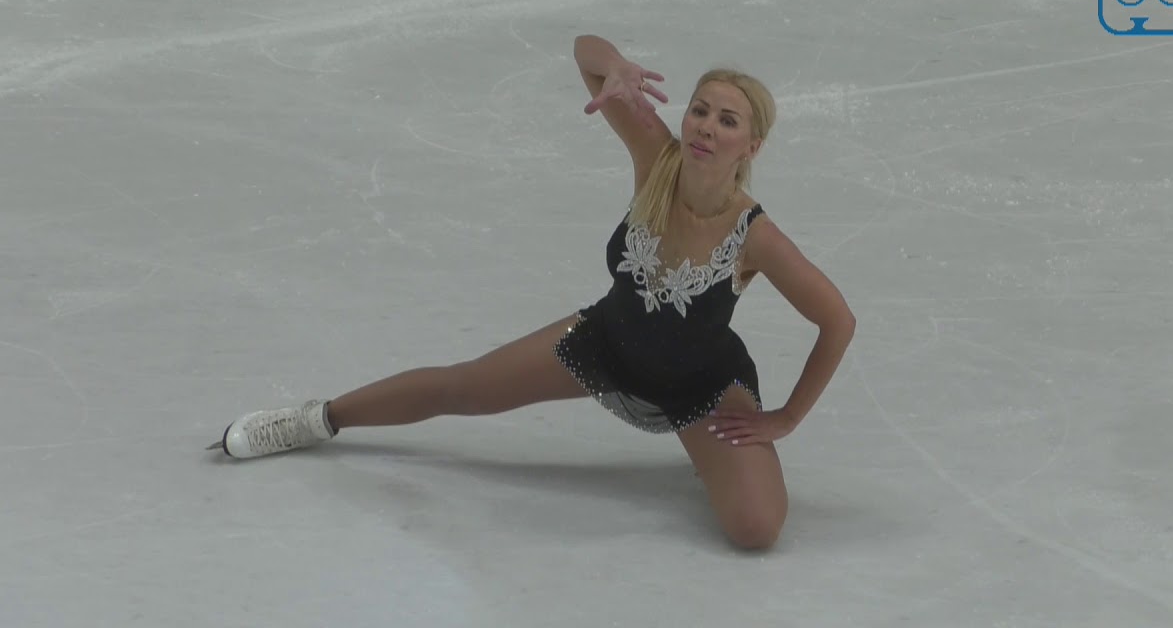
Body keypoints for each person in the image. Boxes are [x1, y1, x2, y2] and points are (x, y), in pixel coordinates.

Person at [208, 34, 857, 551]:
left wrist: (787, 417)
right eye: (699, 108)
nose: (706, 126)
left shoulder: (755, 235)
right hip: (607, 343)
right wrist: (617, 67)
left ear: (751, 145)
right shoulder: (655, 157)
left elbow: (838, 322)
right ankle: (315, 419)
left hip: (702, 385)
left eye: (727, 119)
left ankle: (711, 457)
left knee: (755, 531)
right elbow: (585, 50)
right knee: (461, 387)